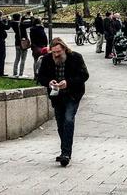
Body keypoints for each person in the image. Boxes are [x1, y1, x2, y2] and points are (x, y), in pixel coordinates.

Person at [37, 38, 89, 167]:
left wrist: (68, 82)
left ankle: (66, 153)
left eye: (58, 52)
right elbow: (41, 76)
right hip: (56, 96)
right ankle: (64, 150)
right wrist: (49, 82)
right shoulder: (47, 59)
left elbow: (84, 75)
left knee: (68, 119)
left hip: (72, 94)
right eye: (54, 52)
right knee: (60, 123)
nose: (56, 55)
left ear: (64, 49)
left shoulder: (75, 57)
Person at [11, 13, 28, 77]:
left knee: (17, 58)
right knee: (23, 59)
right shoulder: (21, 24)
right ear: (19, 18)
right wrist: (31, 17)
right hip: (23, 43)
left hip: (17, 42)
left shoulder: (13, 23)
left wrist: (22, 18)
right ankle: (21, 73)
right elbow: (31, 23)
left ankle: (15, 73)